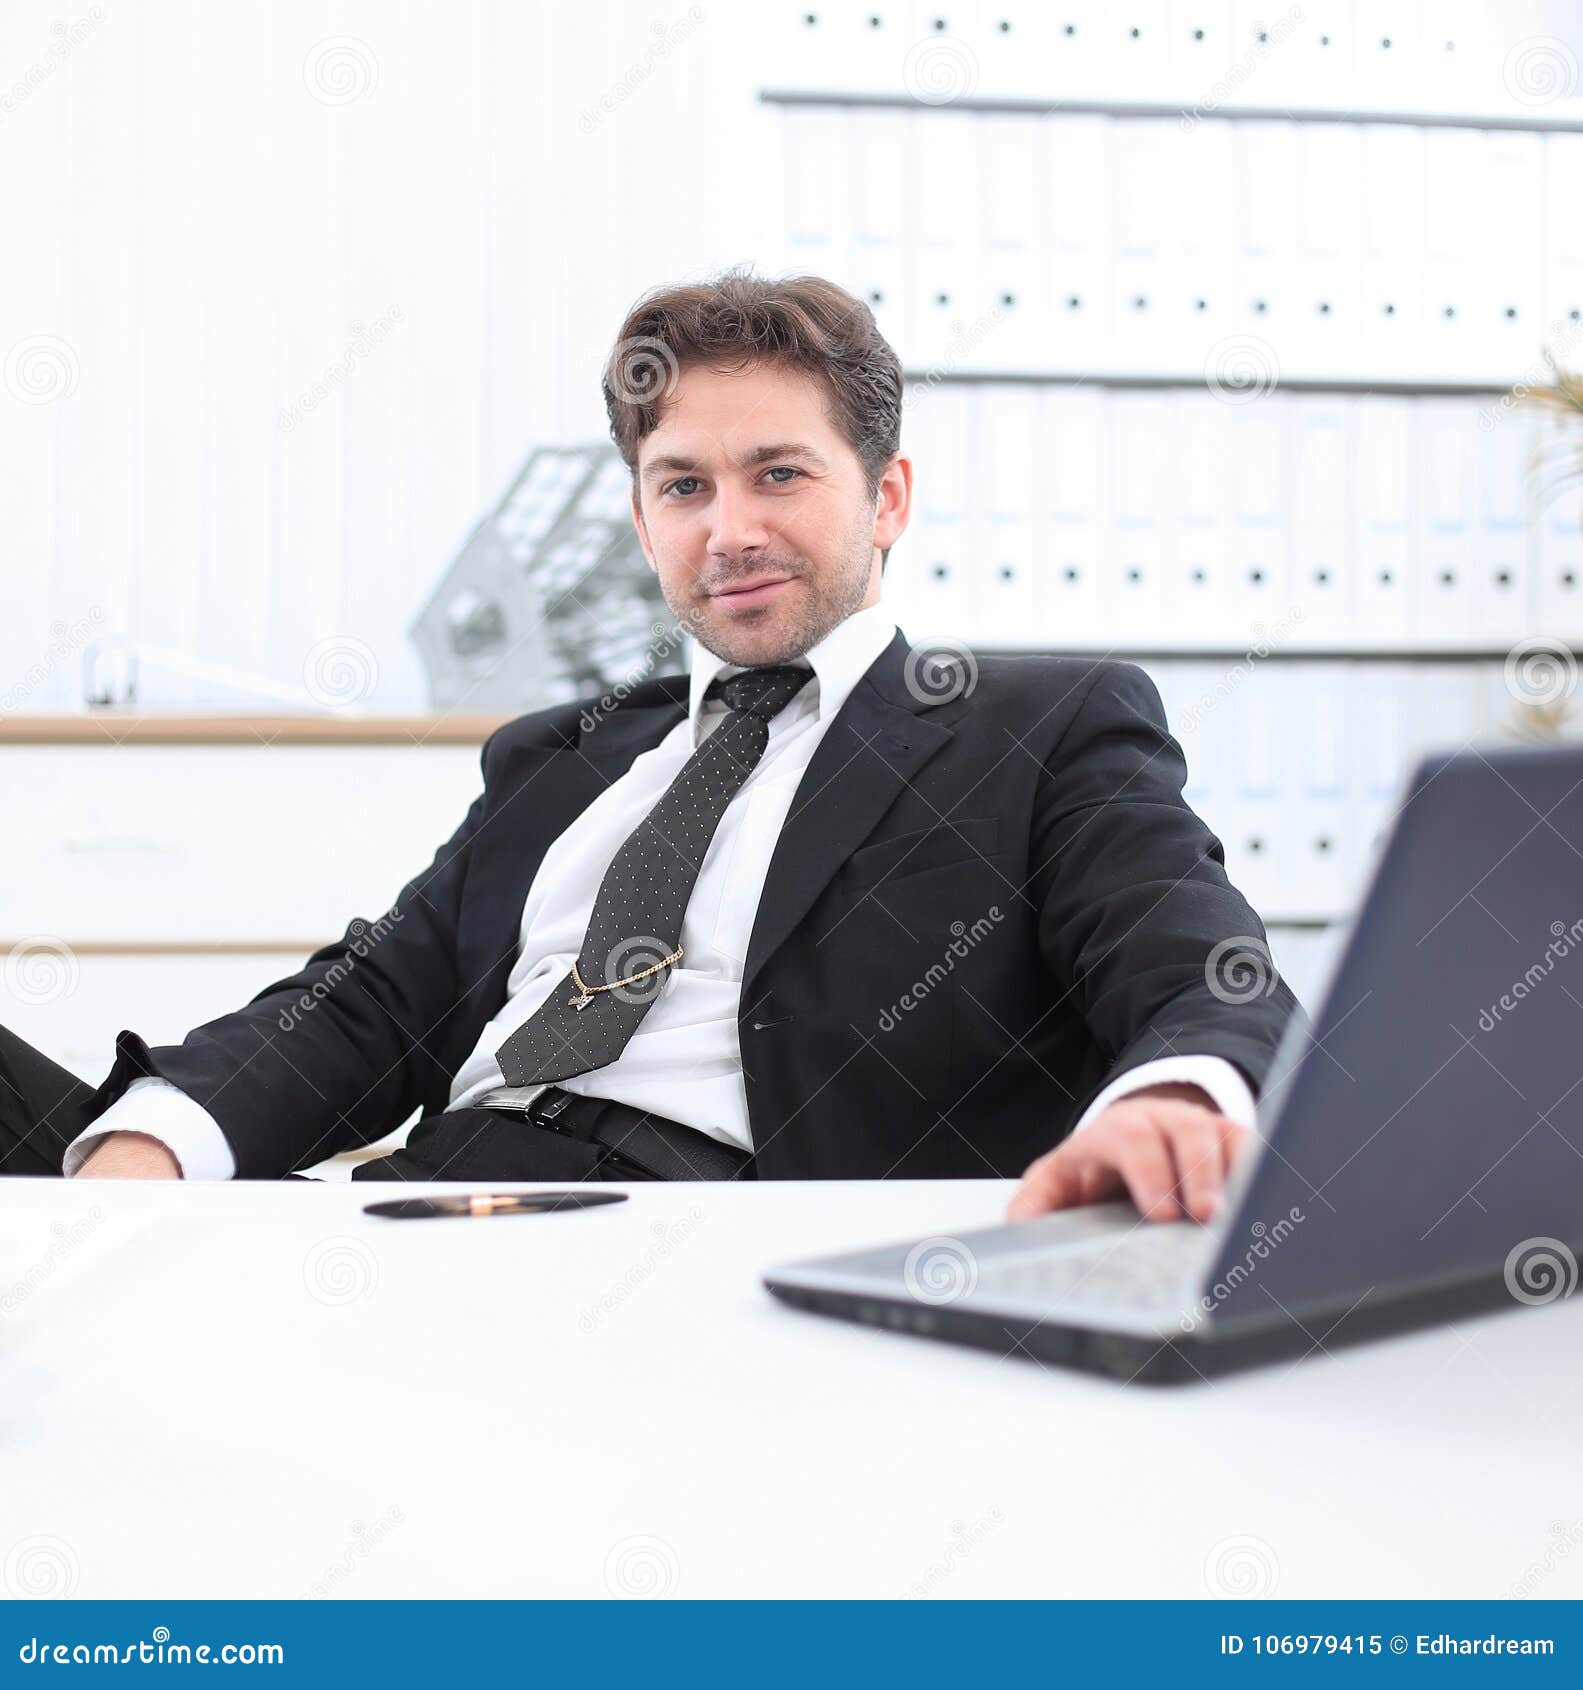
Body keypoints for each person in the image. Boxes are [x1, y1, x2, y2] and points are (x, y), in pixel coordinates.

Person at [1, 269, 1302, 1222]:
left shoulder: (1038, 731)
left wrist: (1175, 1103)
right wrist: (155, 1151)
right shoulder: (562, 758)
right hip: (421, 1214)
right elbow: (374, 1004)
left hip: (692, 1237)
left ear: (887, 496)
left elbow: (1206, 976)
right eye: (685, 485)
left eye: (779, 474)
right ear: (641, 519)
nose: (727, 527)